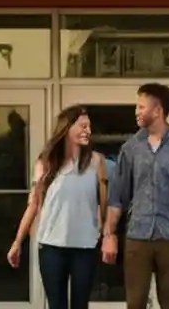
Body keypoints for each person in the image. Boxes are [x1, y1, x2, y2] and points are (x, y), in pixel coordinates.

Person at [102, 83, 169, 309]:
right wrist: (109, 234)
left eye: (141, 107)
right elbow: (117, 196)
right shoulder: (131, 148)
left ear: (158, 110)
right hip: (138, 236)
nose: (136, 111)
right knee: (135, 303)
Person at [8, 105, 108, 309]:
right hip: (51, 246)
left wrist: (105, 233)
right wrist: (18, 242)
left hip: (85, 246)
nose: (87, 131)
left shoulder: (96, 161)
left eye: (89, 126)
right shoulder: (45, 163)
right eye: (82, 126)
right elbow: (33, 205)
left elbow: (103, 202)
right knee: (57, 305)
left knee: (81, 305)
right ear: (67, 128)